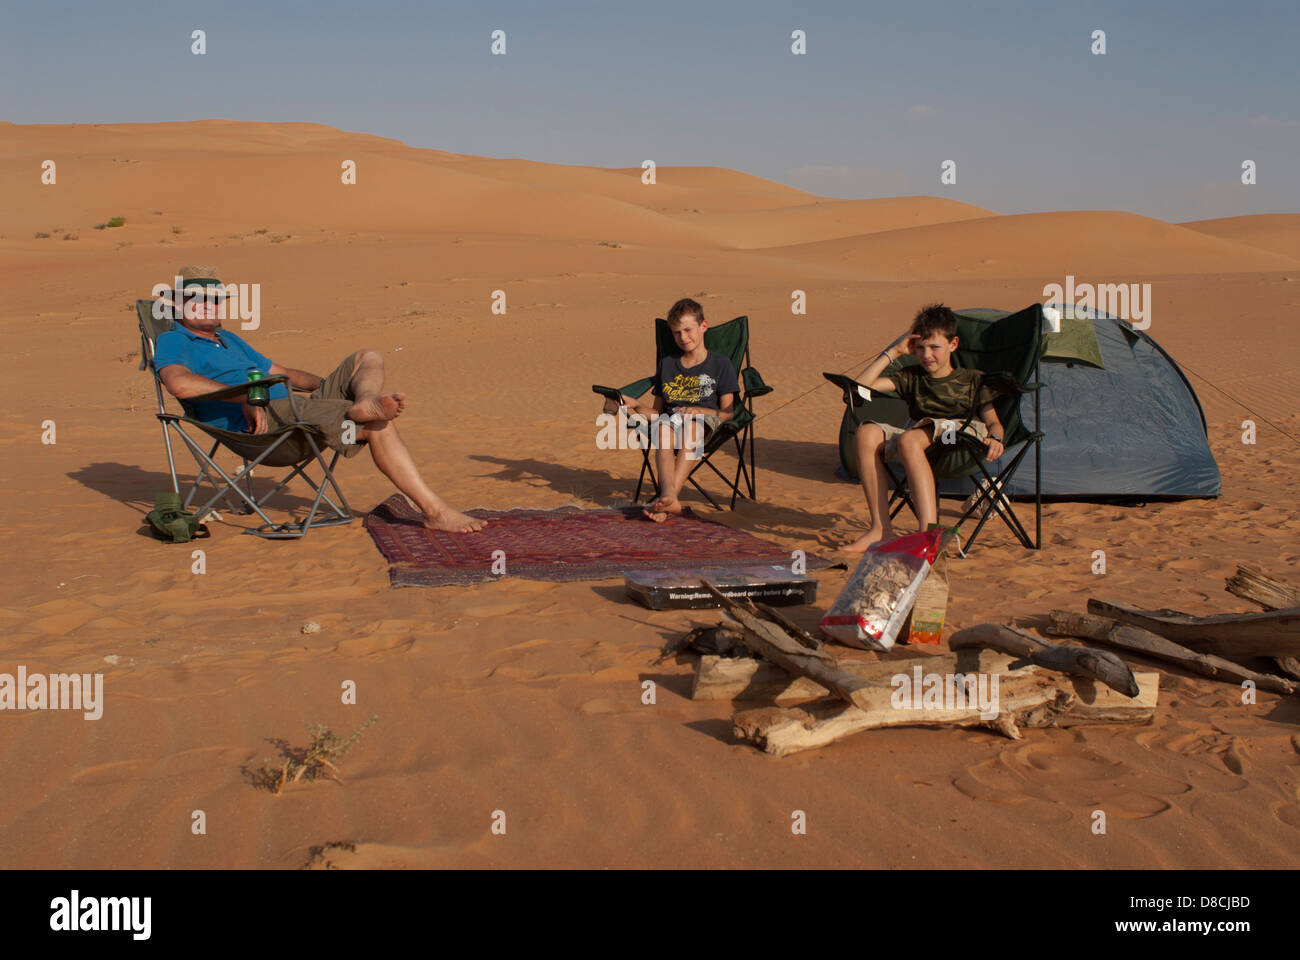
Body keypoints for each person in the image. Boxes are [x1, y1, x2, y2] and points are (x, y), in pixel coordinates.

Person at [152, 265, 485, 533]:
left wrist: (332, 387)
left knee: (366, 357)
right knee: (377, 424)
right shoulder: (174, 340)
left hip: (299, 412)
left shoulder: (229, 339)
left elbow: (284, 372)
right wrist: (248, 397)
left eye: (214, 299)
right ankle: (435, 511)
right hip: (271, 431)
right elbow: (179, 385)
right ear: (178, 305)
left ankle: (364, 399)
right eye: (196, 299)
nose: (207, 305)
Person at [844, 302, 1005, 552]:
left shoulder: (972, 379)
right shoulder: (911, 377)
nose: (926, 355)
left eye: (934, 347)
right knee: (867, 433)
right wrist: (894, 352)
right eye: (920, 348)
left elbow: (993, 421)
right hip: (921, 439)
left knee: (910, 438)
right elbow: (857, 389)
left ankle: (928, 535)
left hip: (961, 437)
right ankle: (880, 530)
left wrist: (996, 437)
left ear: (953, 344)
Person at [615, 298, 739, 522]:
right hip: (671, 422)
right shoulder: (668, 364)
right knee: (663, 429)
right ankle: (669, 498)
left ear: (703, 326)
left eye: (688, 330)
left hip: (704, 422)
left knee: (691, 428)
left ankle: (668, 496)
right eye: (676, 333)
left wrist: (699, 411)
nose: (683, 337)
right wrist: (636, 405)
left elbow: (728, 413)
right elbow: (657, 414)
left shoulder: (721, 364)